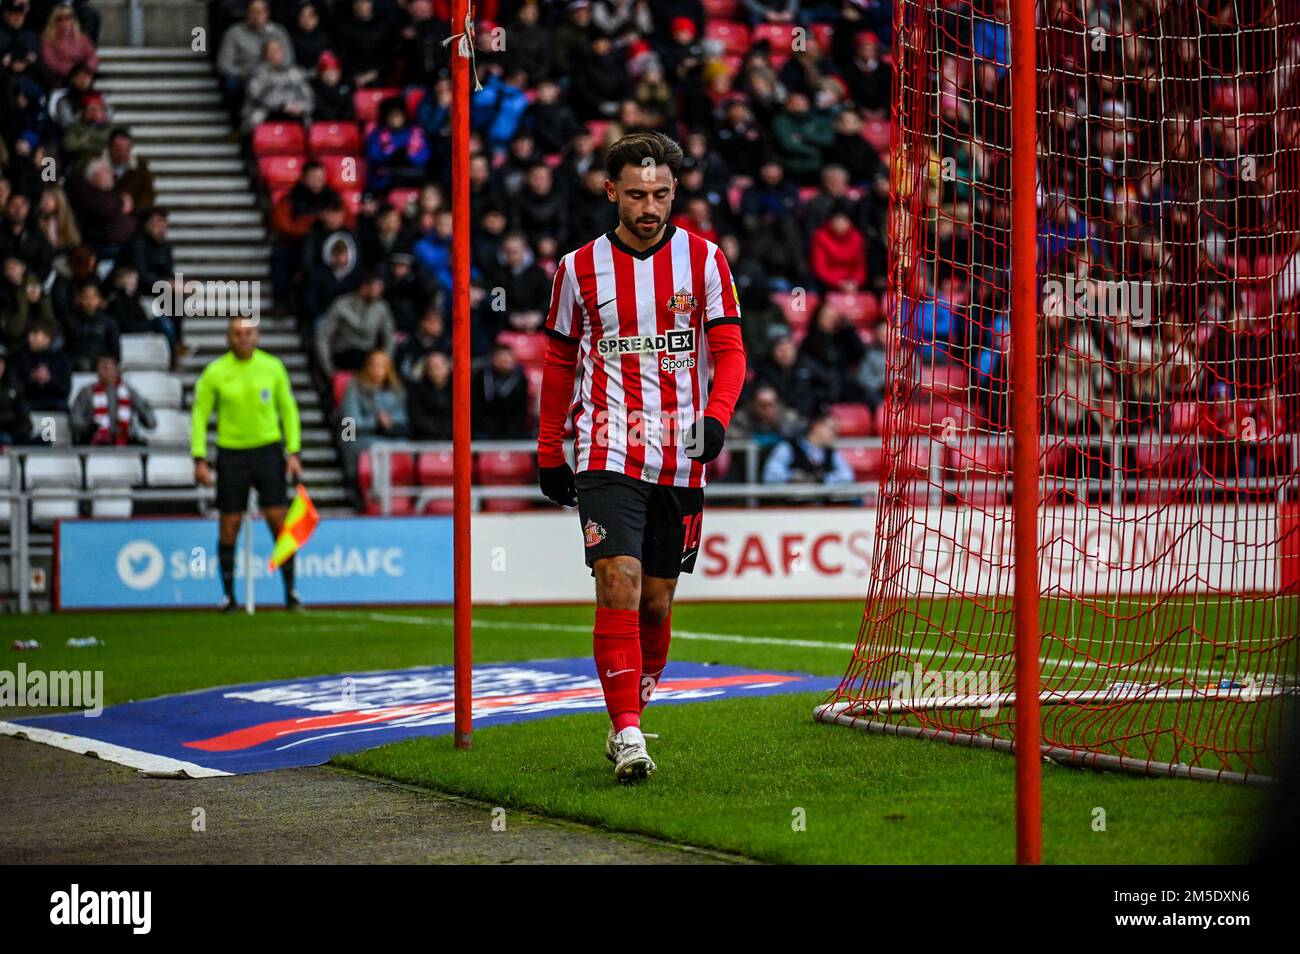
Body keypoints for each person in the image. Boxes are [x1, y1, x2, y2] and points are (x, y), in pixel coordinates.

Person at [535, 132, 746, 782]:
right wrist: (550, 449)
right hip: (605, 447)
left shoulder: (706, 262)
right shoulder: (577, 269)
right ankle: (629, 732)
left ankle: (634, 700)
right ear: (611, 192)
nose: (649, 207)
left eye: (659, 194)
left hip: (682, 457)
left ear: (674, 191)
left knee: (656, 601)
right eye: (635, 195)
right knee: (618, 581)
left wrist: (715, 418)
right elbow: (558, 359)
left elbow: (732, 351)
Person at [190, 317, 304, 612]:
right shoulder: (216, 371)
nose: (243, 338)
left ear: (257, 335)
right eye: (237, 334)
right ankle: (229, 595)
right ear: (229, 337)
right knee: (229, 524)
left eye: (248, 333)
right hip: (231, 453)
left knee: (279, 521)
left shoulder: (272, 366)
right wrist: (199, 458)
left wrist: (293, 452)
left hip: (267, 450)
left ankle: (291, 592)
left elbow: (288, 409)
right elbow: (200, 415)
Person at [337, 348, 407, 478]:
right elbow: (350, 421)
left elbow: (403, 418)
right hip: (359, 434)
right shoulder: (354, 386)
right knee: (348, 436)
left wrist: (389, 423)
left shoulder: (397, 389)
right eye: (374, 365)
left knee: (407, 446)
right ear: (367, 366)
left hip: (389, 434)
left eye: (382, 366)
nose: (377, 369)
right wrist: (376, 422)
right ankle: (354, 479)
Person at [314, 270, 395, 376]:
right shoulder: (342, 304)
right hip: (343, 357)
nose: (380, 290)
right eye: (377, 286)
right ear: (364, 286)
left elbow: (390, 337)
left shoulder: (381, 308)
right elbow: (323, 336)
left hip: (368, 360)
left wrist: (384, 362)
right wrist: (329, 369)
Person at [69, 352, 155, 444]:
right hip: (95, 442)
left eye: (106, 367)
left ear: (116, 370)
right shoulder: (86, 392)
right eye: (100, 367)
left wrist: (144, 411)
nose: (102, 371)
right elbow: (75, 418)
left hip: (124, 440)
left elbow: (151, 423)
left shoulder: (128, 391)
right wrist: (88, 428)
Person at [761, 410, 855, 487]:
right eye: (831, 429)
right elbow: (770, 476)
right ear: (817, 425)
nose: (834, 434)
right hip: (791, 507)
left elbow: (847, 477)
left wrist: (822, 480)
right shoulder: (788, 447)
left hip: (821, 506)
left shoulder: (831, 452)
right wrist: (792, 477)